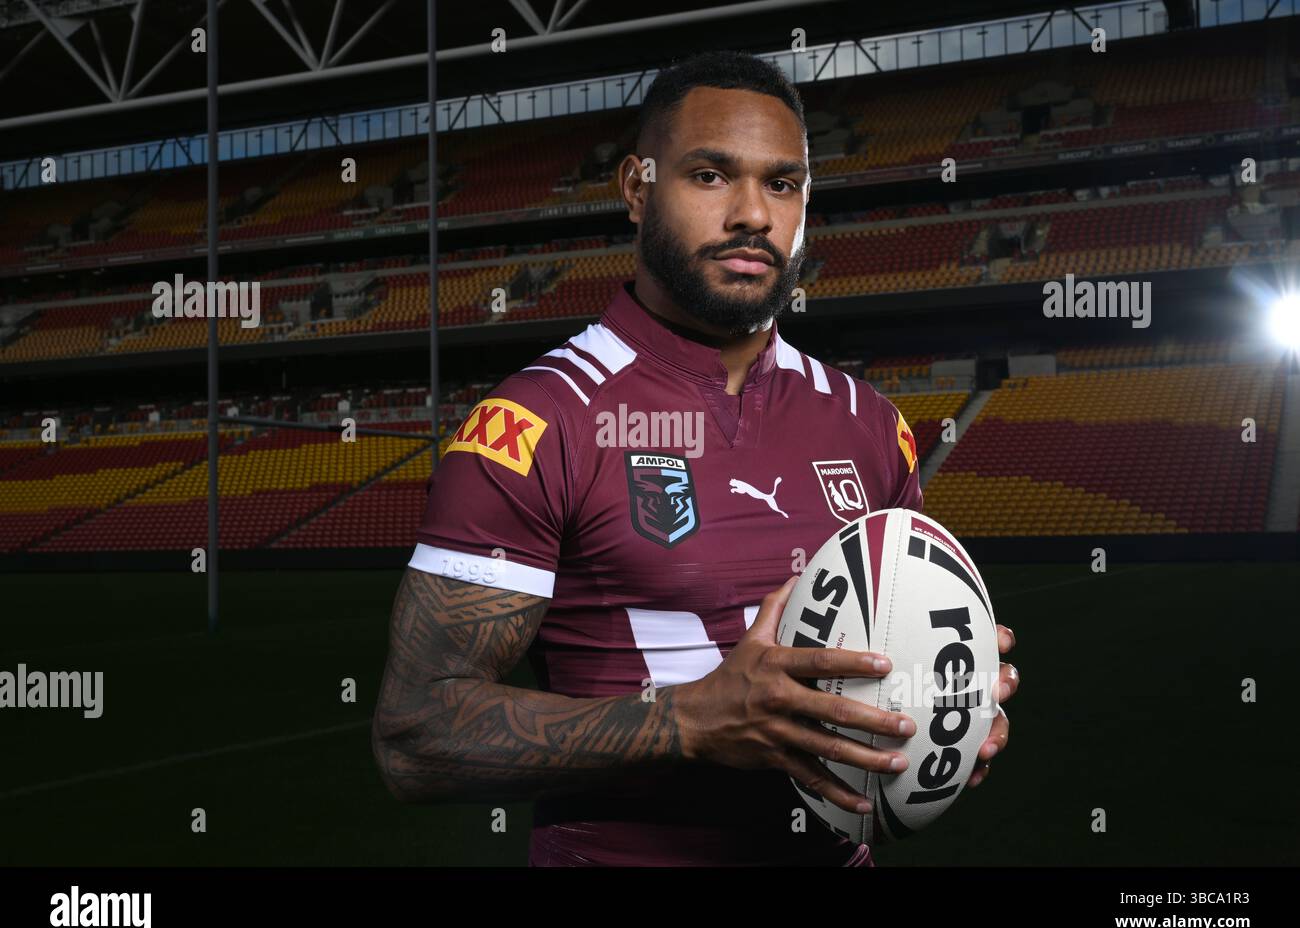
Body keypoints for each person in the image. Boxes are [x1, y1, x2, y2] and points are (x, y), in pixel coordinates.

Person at [373, 50, 1018, 866]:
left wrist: (944, 714)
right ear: (638, 191)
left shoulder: (869, 422)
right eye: (711, 176)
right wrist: (690, 721)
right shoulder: (537, 422)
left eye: (782, 184)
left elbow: (894, 654)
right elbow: (417, 737)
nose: (753, 213)